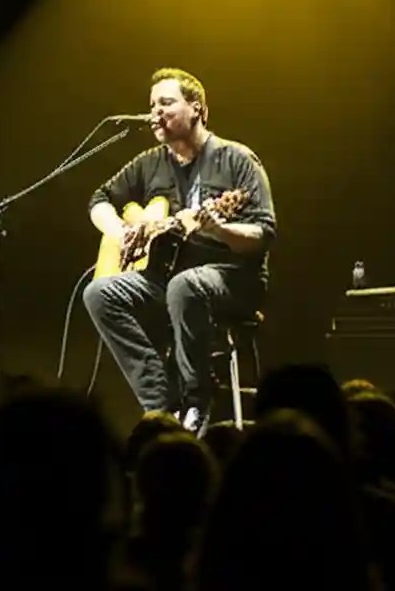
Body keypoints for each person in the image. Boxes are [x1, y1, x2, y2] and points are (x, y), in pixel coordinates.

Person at [82, 68, 276, 435]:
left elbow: (262, 233)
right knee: (98, 293)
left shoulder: (237, 160)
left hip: (233, 279)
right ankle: (162, 405)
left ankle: (197, 401)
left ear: (198, 109)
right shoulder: (151, 161)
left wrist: (218, 227)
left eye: (166, 103)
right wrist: (122, 232)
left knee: (185, 285)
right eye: (152, 105)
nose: (156, 112)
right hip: (168, 278)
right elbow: (100, 199)